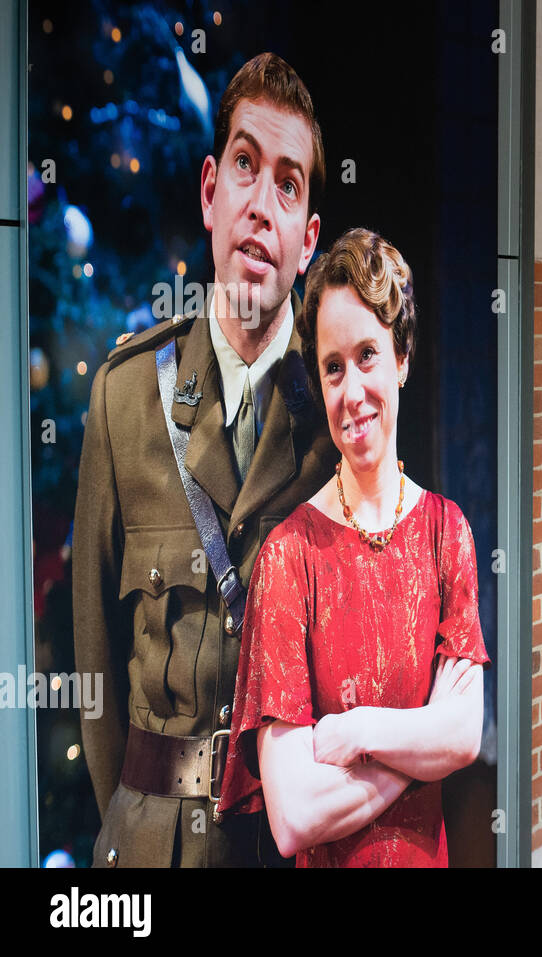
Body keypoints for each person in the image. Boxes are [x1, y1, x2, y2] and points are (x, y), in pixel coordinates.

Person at [72, 52, 336, 867]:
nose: (263, 205)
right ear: (209, 191)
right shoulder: (124, 397)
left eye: (288, 186)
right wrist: (134, 834)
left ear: (307, 238)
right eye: (248, 168)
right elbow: (95, 668)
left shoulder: (339, 418)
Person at [216, 229, 489, 867]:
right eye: (333, 367)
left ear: (401, 359)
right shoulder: (289, 557)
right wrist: (420, 748)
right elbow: (294, 818)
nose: (350, 391)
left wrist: (354, 731)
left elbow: (467, 733)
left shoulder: (448, 534)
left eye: (367, 355)